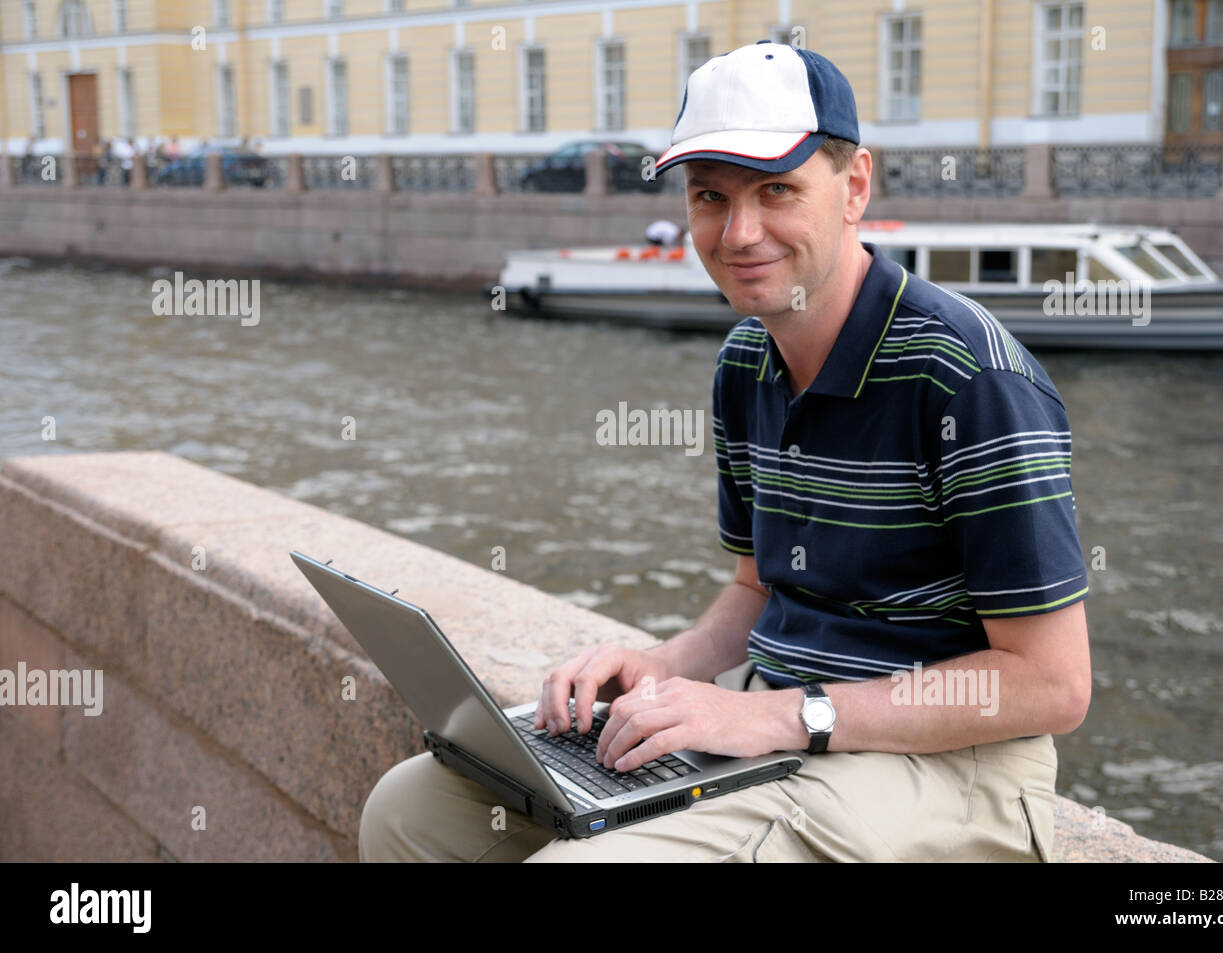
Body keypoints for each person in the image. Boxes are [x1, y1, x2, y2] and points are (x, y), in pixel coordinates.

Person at [358, 40, 1091, 863]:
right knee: (407, 810)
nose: (740, 233)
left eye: (776, 190)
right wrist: (657, 665)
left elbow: (1053, 684)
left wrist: (780, 715)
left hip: (953, 766)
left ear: (854, 188)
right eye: (711, 197)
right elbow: (756, 590)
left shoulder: (971, 377)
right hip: (782, 712)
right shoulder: (747, 361)